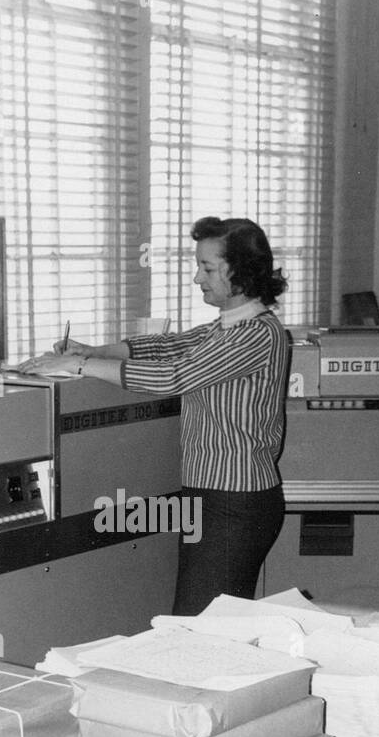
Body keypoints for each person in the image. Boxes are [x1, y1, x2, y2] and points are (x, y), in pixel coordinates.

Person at [17, 216, 290, 615]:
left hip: (236, 502)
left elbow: (174, 375)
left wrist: (79, 367)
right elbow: (165, 347)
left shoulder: (255, 334)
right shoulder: (225, 329)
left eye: (208, 268)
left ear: (241, 270)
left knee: (200, 627)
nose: (198, 278)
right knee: (205, 623)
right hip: (214, 497)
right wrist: (91, 350)